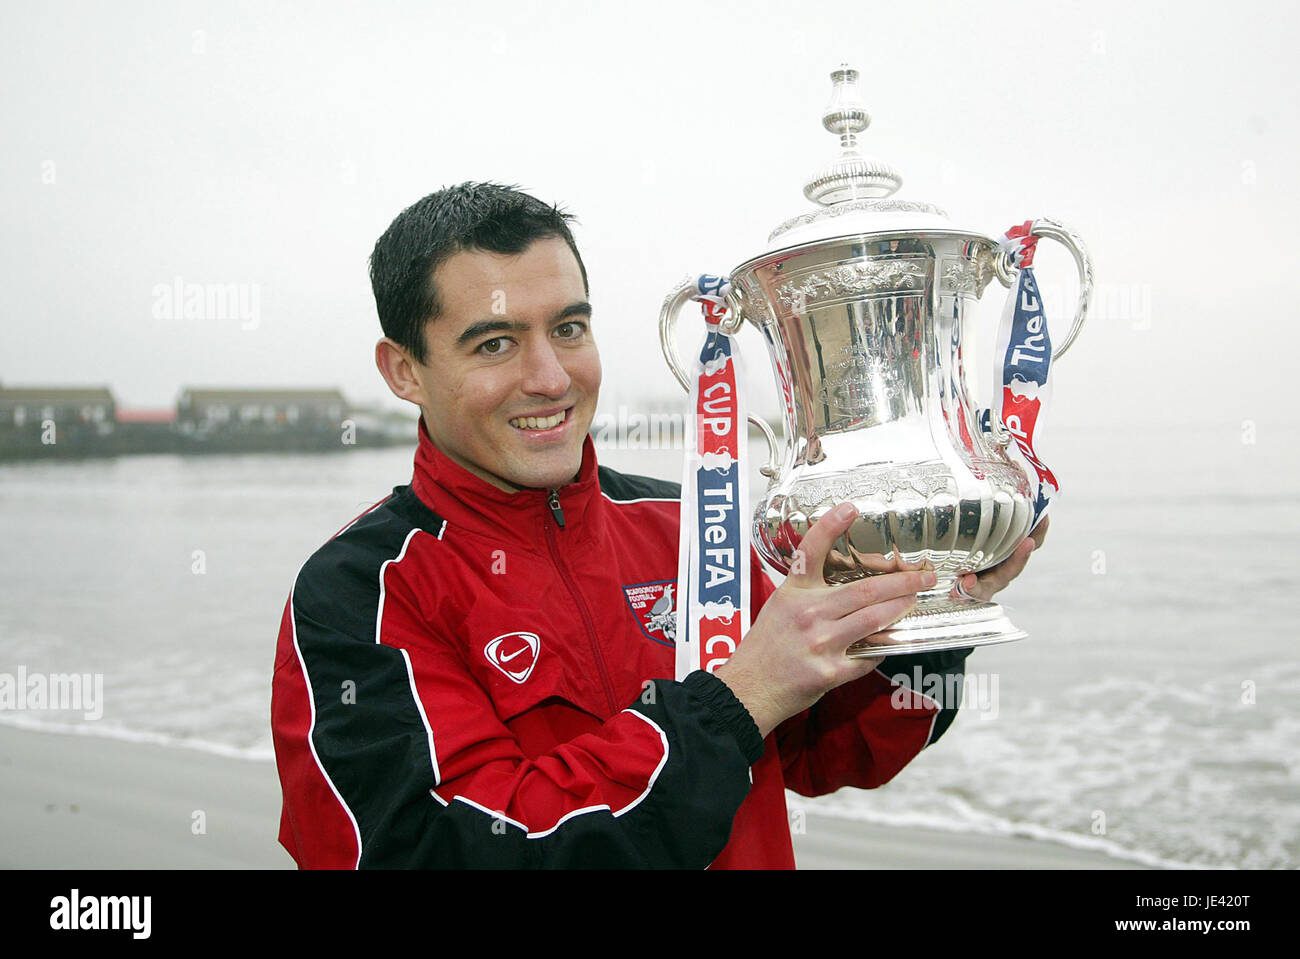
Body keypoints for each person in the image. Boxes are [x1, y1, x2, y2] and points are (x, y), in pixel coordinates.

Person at [270, 182, 1046, 869]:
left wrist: (929, 609)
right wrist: (736, 699)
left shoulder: (686, 526)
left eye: (569, 328)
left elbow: (828, 749)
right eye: (496, 343)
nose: (550, 377)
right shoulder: (360, 592)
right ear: (404, 370)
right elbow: (447, 849)